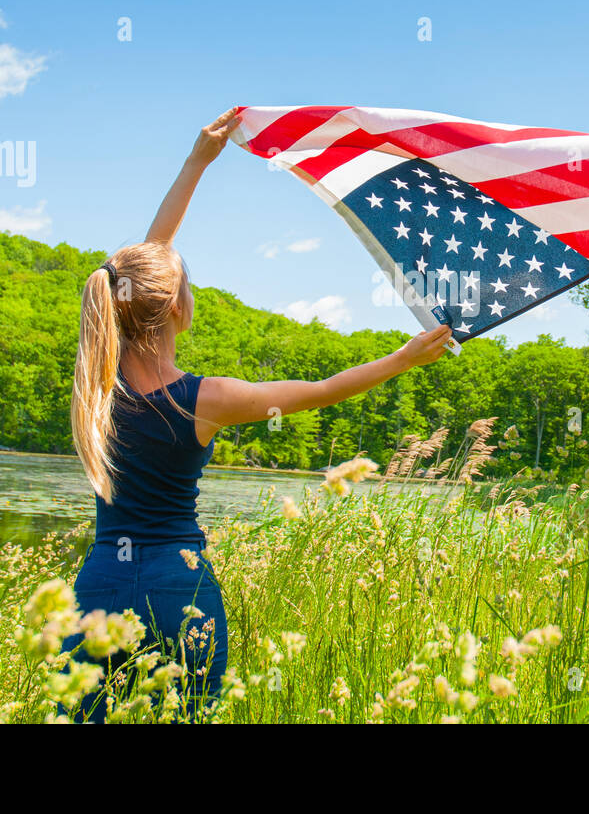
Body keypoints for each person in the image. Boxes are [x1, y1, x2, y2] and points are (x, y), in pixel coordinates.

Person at [62, 109, 454, 721]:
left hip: (100, 586)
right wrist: (402, 358)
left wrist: (196, 163)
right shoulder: (208, 399)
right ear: (177, 311)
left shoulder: (94, 388)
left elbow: (141, 268)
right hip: (177, 587)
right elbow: (321, 389)